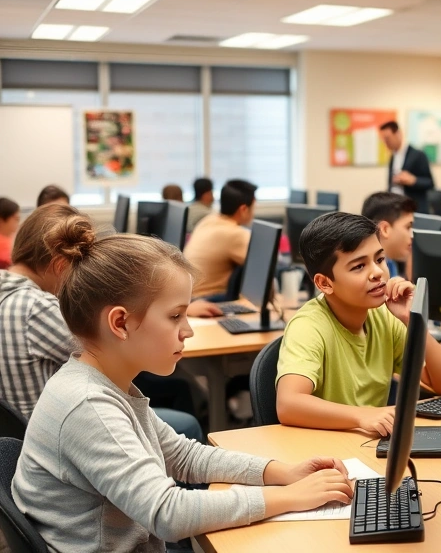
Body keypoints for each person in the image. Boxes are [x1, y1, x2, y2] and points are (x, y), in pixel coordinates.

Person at [12, 216, 356, 551]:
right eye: (175, 316)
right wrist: (290, 497)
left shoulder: (107, 385)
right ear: (120, 323)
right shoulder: (88, 405)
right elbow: (168, 514)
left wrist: (283, 472)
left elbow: (182, 455)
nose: (187, 330)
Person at [0, 204, 217, 437]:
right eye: (77, 268)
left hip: (26, 429)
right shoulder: (37, 309)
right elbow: (109, 348)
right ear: (62, 266)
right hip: (65, 430)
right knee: (185, 417)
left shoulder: (8, 290)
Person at [275, 213, 441, 434]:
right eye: (358, 266)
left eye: (379, 259)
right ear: (324, 283)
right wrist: (362, 415)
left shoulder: (384, 316)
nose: (377, 272)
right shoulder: (308, 327)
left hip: (369, 443)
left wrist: (414, 321)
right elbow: (288, 404)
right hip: (325, 446)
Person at [183, 179, 256, 299]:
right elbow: (262, 268)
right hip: (206, 299)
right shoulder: (236, 234)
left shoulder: (208, 220)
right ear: (243, 209)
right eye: (253, 208)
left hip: (187, 296)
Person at [380, 121, 434, 213]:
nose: (386, 142)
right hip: (395, 208)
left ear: (398, 134)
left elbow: (430, 183)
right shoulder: (393, 156)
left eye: (387, 138)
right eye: (384, 140)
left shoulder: (418, 155)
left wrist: (413, 180)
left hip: (413, 209)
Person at [361, 192, 415, 279]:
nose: (412, 236)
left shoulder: (390, 263)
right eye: (408, 227)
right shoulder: (368, 275)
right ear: (385, 229)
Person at [0, 197, 19, 269]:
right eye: (16, 219)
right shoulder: (3, 243)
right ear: (1, 219)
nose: (18, 223)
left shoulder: (10, 239)